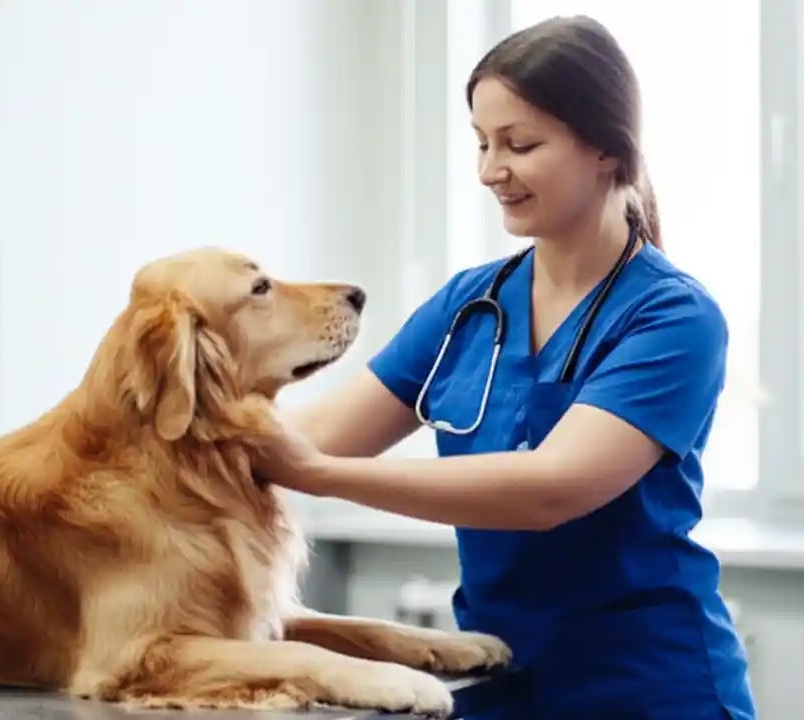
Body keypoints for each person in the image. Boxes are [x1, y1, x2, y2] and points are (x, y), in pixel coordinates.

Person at [253, 15, 756, 720]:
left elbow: (549, 490)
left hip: (649, 688)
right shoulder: (470, 306)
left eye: (520, 144)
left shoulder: (675, 320)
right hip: (502, 685)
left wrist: (316, 475)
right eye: (483, 143)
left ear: (608, 150)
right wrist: (162, 435)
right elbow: (319, 432)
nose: (492, 170)